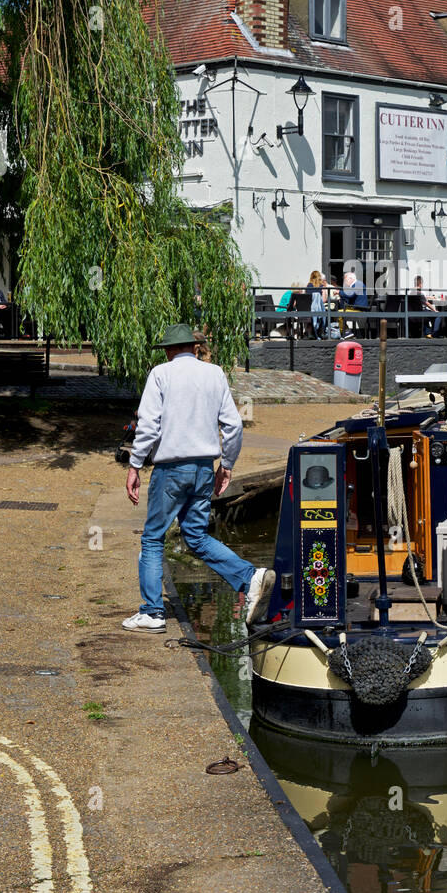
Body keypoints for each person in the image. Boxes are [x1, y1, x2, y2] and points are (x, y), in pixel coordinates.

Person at [123, 323, 274, 632]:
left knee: (153, 538)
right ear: (194, 347)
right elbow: (233, 425)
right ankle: (250, 577)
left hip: (170, 469)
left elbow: (148, 426)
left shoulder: (160, 374)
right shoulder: (215, 374)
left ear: (167, 350)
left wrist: (135, 464)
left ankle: (152, 612)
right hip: (204, 467)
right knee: (196, 536)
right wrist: (227, 464)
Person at [306, 269, 328, 339]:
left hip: (309, 309)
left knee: (309, 315)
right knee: (325, 312)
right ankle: (321, 332)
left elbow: (305, 298)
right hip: (319, 310)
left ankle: (309, 333)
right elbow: (324, 300)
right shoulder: (321, 287)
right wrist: (324, 290)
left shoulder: (308, 286)